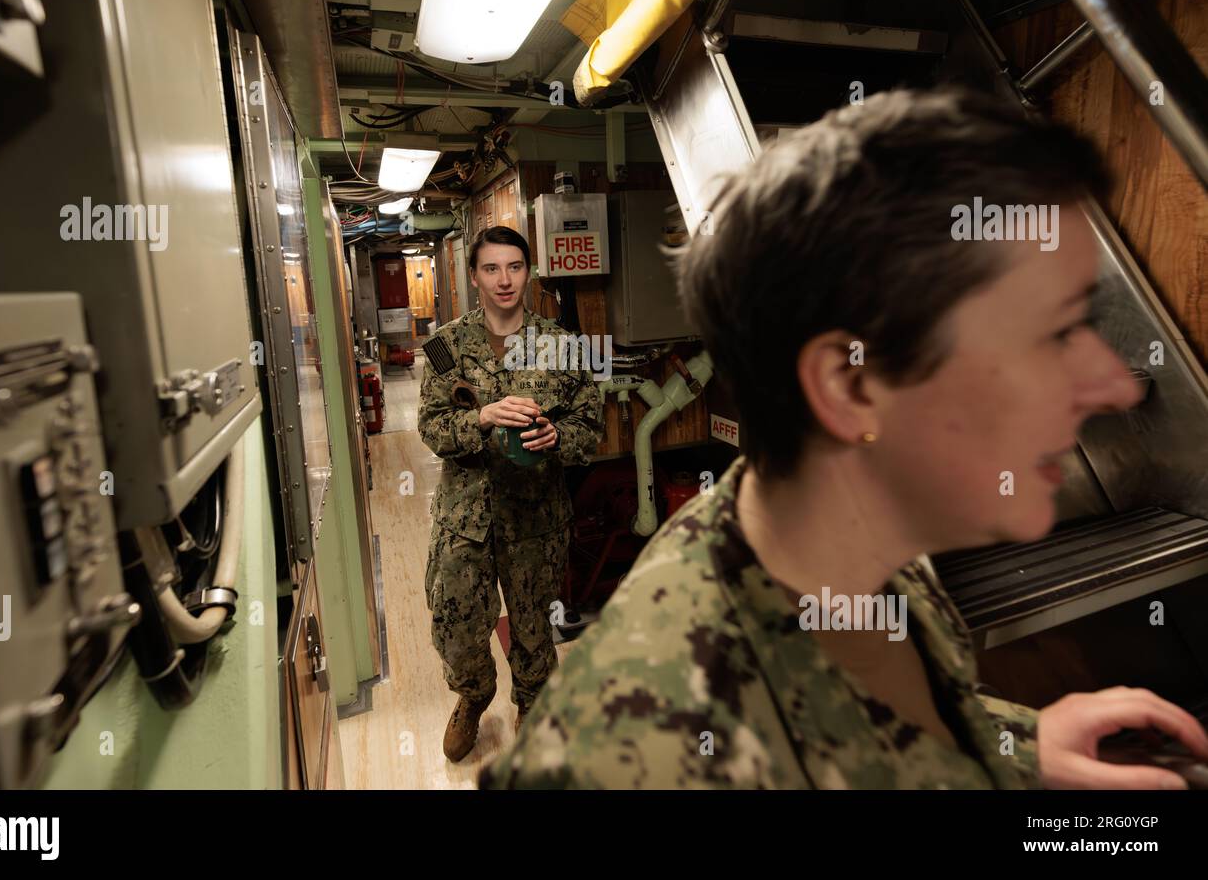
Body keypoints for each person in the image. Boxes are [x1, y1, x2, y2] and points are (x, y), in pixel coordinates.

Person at [482, 88, 1208, 789]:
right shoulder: (638, 745)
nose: (1113, 386)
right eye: (1046, 336)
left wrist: (1015, 748)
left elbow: (880, 722)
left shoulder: (864, 532)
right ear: (850, 386)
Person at [418, 225, 604, 762]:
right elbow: (432, 427)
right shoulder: (445, 347)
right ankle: (474, 697)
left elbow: (589, 429)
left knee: (533, 628)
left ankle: (533, 704)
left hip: (536, 518)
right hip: (465, 519)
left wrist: (556, 438)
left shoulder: (563, 346)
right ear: (473, 275)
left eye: (515, 267)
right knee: (456, 624)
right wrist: (480, 416)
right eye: (492, 268)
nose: (505, 280)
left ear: (529, 273)